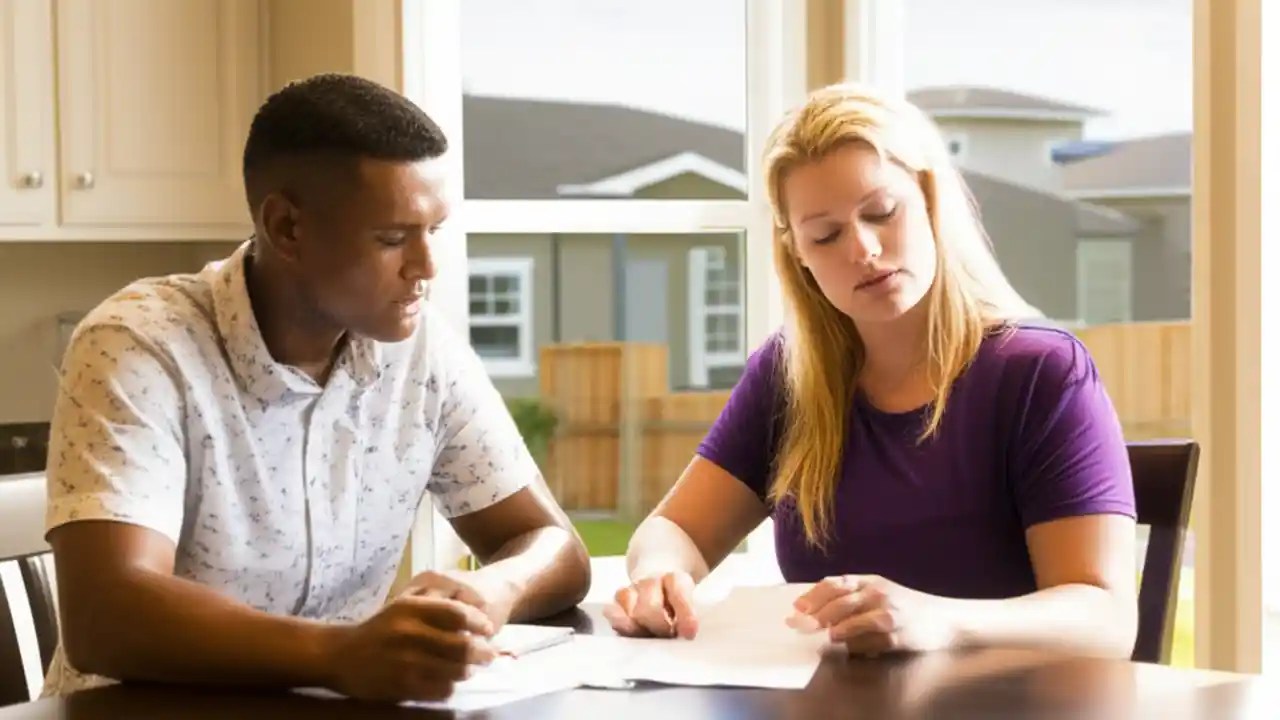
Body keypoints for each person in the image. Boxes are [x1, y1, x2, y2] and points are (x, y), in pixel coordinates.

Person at [42, 73, 590, 702]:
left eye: (433, 231)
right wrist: (339, 653)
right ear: (287, 228)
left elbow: (555, 547)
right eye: (392, 238)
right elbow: (106, 616)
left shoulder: (422, 351)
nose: (427, 267)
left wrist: (496, 590)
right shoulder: (137, 344)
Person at [605, 82, 1138, 659]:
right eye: (825, 235)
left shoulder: (1041, 374)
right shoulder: (789, 376)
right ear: (799, 257)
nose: (862, 249)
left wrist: (941, 622)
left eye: (882, 212)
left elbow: (1104, 618)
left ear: (931, 200)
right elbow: (673, 530)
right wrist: (661, 572)